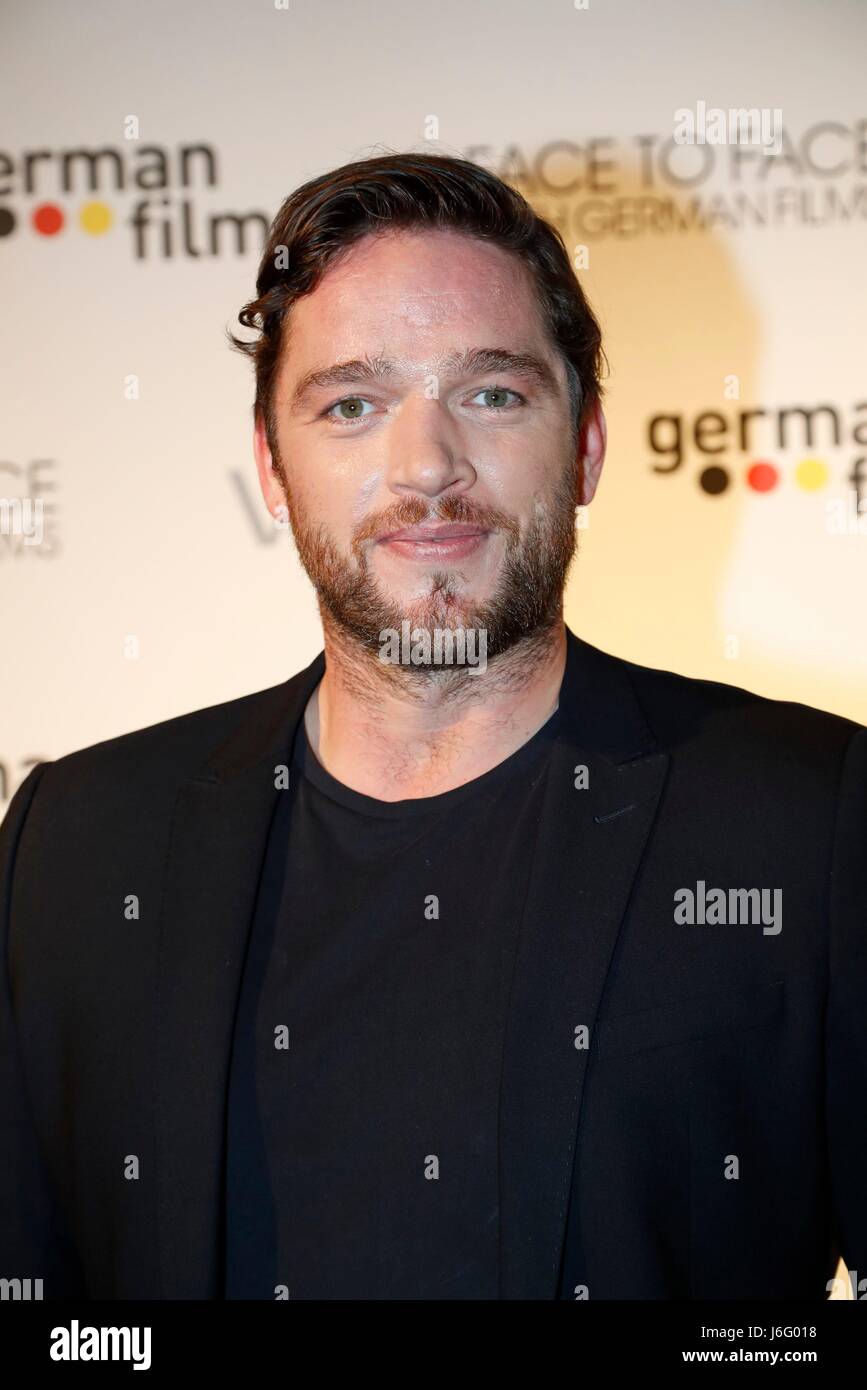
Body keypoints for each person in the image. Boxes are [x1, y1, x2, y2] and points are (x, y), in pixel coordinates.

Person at [1, 152, 864, 1301]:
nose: (427, 465)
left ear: (588, 446)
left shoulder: (807, 817)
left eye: (492, 393)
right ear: (272, 464)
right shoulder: (78, 844)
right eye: (352, 403)